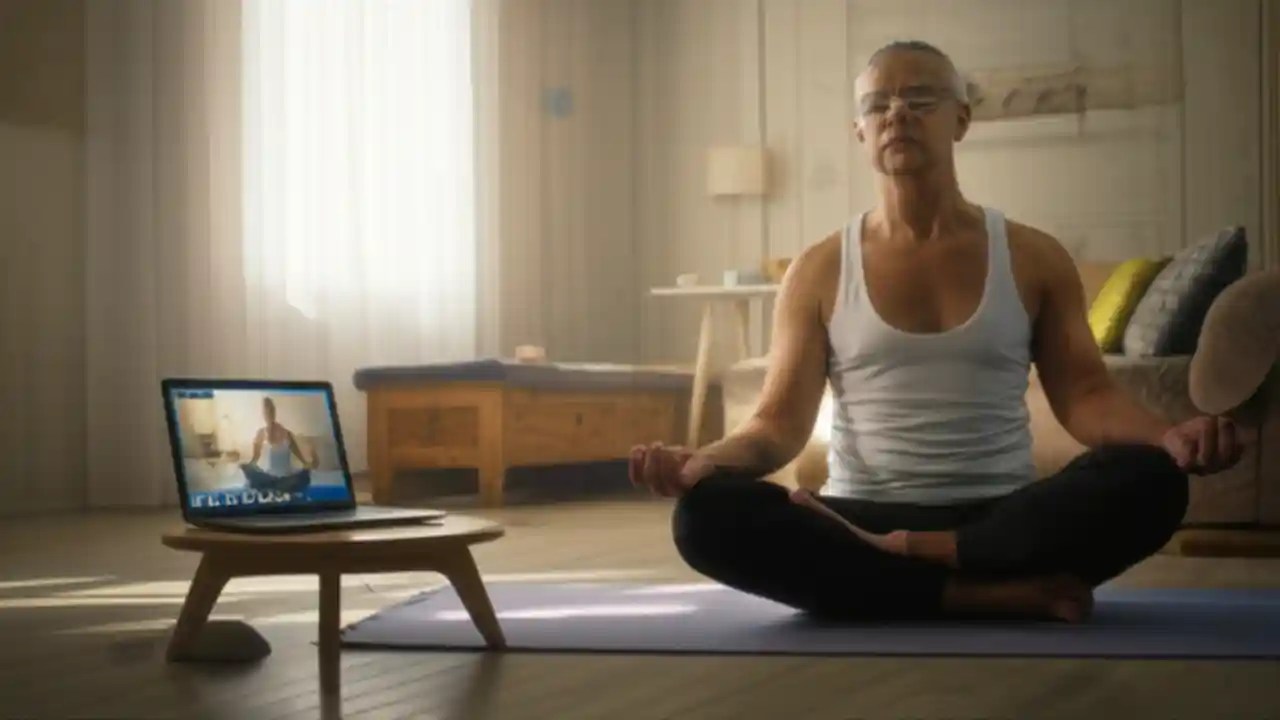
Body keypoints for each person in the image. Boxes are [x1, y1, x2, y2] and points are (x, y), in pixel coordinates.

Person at [629, 40, 1246, 623]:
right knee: (704, 517)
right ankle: (982, 594)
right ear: (860, 131)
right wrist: (703, 462)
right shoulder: (818, 269)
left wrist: (1171, 436)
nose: (897, 113)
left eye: (920, 100)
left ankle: (930, 569)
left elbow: (1087, 397)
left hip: (999, 515)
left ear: (960, 119)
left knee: (1153, 481)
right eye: (878, 104)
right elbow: (776, 426)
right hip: (863, 516)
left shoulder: (1034, 256)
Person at [237, 396, 317, 494]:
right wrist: (247, 466)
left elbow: (298, 455)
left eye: (271, 410)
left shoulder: (286, 433)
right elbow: (254, 459)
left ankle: (278, 487)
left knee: (298, 479)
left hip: (287, 478)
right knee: (256, 476)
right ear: (263, 414)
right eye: (266, 411)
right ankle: (274, 487)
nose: (268, 414)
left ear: (274, 412)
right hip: (267, 477)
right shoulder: (260, 434)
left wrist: (307, 463)